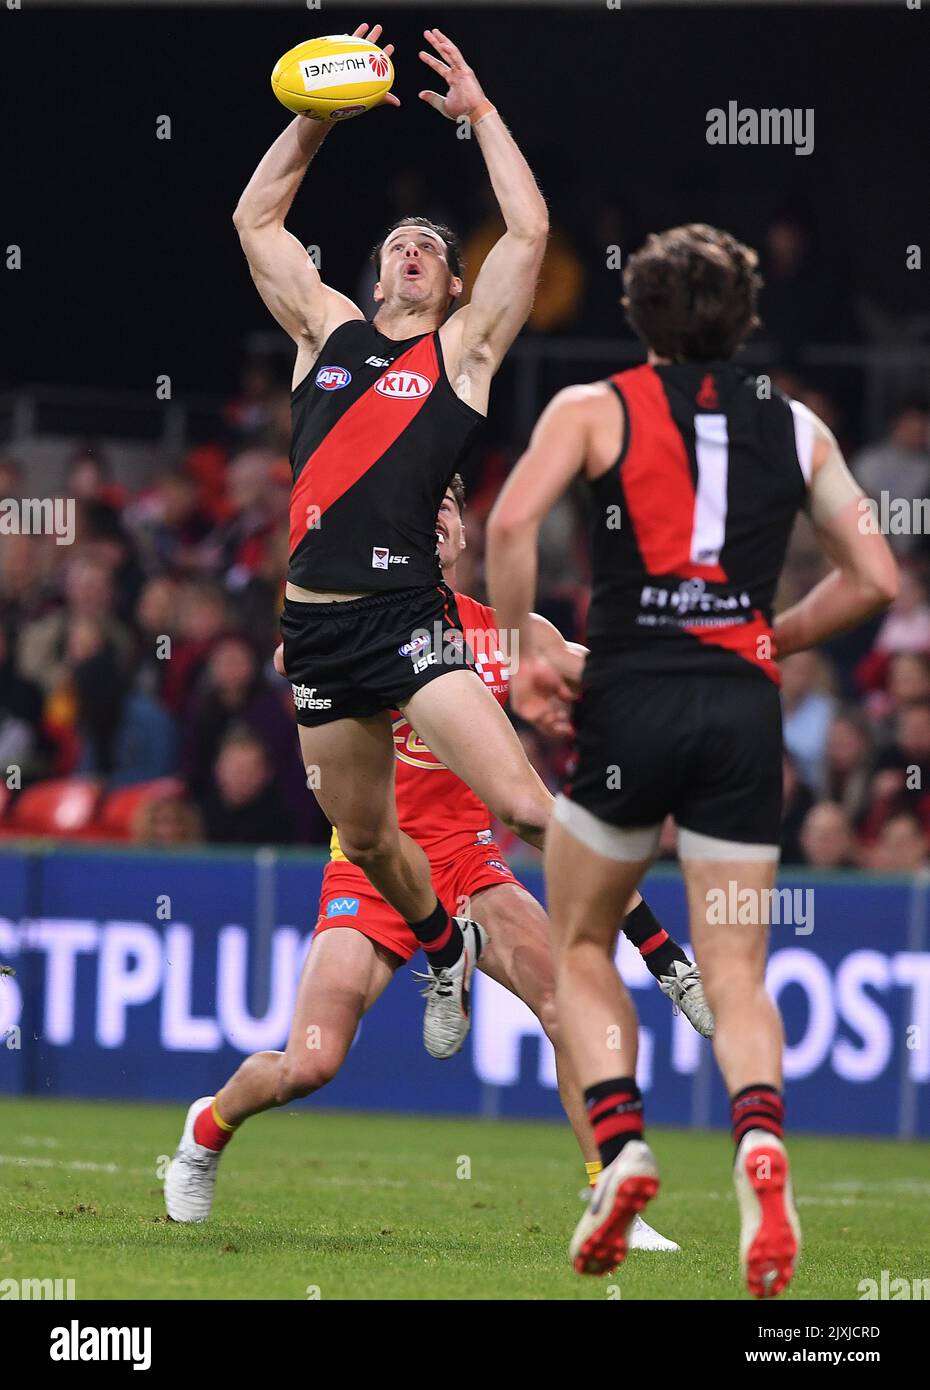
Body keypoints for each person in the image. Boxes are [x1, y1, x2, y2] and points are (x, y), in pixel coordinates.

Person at [486, 222, 898, 1296]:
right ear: (747, 318)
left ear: (637, 315)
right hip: (739, 709)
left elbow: (512, 523)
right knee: (735, 971)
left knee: (579, 940)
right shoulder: (797, 425)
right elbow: (877, 577)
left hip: (629, 702)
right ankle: (761, 1149)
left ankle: (621, 1144)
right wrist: (774, 635)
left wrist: (529, 646)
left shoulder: (594, 407)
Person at [164, 481, 712, 1247]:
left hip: (471, 862)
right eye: (425, 508)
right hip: (375, 866)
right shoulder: (361, 625)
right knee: (311, 1064)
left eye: (451, 508)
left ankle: (611, 1197)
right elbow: (294, 655)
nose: (440, 518)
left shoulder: (504, 632)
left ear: (462, 536)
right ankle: (207, 1129)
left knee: (569, 1008)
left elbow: (593, 669)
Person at [232, 22, 553, 1058]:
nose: (412, 250)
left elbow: (533, 233)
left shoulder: (463, 356)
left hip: (410, 620)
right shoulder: (326, 334)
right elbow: (256, 216)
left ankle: (651, 953)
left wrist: (485, 117)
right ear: (376, 274)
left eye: (434, 249)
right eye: (397, 245)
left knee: (524, 805)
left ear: (454, 288)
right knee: (366, 836)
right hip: (319, 629)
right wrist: (315, 115)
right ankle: (438, 947)